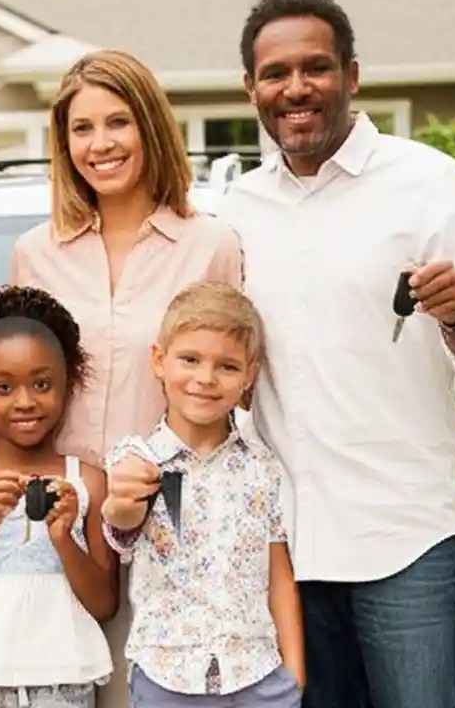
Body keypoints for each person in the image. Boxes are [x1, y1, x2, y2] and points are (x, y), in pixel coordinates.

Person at [217, 0, 455, 707]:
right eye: (276, 73)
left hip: (405, 539)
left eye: (316, 68)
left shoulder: (426, 182)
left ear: (352, 75)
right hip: (285, 549)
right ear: (251, 89)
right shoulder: (235, 214)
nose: (295, 88)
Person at [6, 49, 245, 706]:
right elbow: (14, 396)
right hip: (66, 518)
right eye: (82, 128)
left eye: (118, 122)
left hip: (177, 518)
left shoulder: (212, 245)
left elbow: (243, 386)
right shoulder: (34, 254)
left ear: (150, 127)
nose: (100, 144)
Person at [100, 282, 303, 707]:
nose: (205, 378)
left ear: (249, 375)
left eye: (227, 366)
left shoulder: (262, 466)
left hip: (258, 675)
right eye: (190, 359)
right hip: (167, 677)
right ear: (159, 360)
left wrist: (294, 677)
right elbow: (120, 523)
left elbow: (279, 576)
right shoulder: (137, 458)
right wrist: (120, 504)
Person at [0, 285, 117, 707]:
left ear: (67, 386)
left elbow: (104, 604)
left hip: (64, 679)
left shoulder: (89, 483)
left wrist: (64, 537)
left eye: (42, 384)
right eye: (4, 388)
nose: (26, 402)